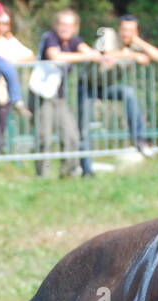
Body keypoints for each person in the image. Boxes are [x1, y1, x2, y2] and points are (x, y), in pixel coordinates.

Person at [77, 14, 158, 173]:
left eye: (130, 30)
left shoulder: (134, 45)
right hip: (88, 85)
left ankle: (139, 139)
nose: (126, 34)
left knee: (129, 93)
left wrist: (138, 42)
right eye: (123, 29)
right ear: (118, 29)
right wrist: (135, 56)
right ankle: (86, 170)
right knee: (84, 128)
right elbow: (106, 54)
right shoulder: (107, 34)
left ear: (136, 31)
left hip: (108, 86)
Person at [37, 8, 105, 177]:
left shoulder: (73, 41)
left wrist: (102, 57)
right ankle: (43, 176)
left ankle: (67, 173)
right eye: (61, 24)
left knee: (71, 135)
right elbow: (54, 55)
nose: (65, 28)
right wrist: (85, 57)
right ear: (55, 25)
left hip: (60, 97)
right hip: (43, 95)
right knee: (44, 138)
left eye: (69, 25)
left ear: (75, 28)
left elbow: (89, 52)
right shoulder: (50, 38)